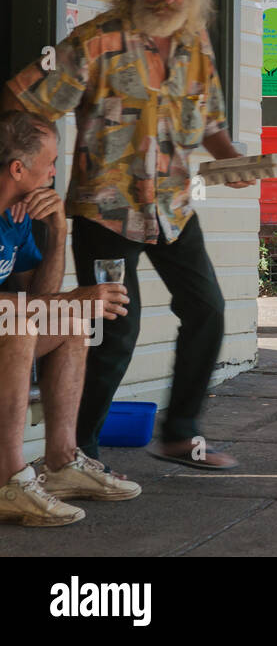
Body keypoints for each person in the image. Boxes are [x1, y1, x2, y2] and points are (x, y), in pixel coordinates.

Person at [2, 0, 251, 469]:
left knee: (206, 311)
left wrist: (232, 160)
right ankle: (77, 455)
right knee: (116, 327)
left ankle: (180, 434)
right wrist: (25, 176)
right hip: (105, 210)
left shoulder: (195, 42)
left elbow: (210, 124)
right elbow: (21, 99)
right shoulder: (94, 41)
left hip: (174, 207)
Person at [0, 112, 137, 526]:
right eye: (52, 161)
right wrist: (72, 296)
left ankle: (61, 464)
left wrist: (58, 229)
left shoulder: (16, 217)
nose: (56, 171)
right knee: (23, 323)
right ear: (19, 168)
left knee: (71, 320)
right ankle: (8, 479)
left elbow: (38, 299)